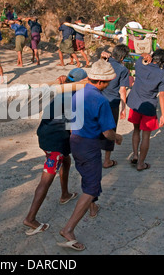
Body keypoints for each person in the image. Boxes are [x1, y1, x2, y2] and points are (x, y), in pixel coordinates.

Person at [58, 60, 123, 251]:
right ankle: (68, 229)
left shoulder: (78, 94)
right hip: (89, 145)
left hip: (75, 141)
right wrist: (117, 137)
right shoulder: (101, 101)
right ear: (103, 82)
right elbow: (107, 133)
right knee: (92, 187)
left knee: (89, 175)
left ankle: (92, 208)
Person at [23, 68, 88, 236]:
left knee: (66, 161)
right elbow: (74, 130)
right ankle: (30, 218)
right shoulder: (75, 100)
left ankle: (65, 194)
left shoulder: (59, 91)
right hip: (55, 143)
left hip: (45, 135)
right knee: (46, 180)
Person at [126, 49, 164, 171]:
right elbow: (162, 94)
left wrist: (144, 55)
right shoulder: (163, 75)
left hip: (135, 104)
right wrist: (162, 113)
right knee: (146, 136)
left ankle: (135, 155)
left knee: (135, 130)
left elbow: (140, 56)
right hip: (149, 107)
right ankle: (141, 164)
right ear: (163, 62)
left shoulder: (140, 65)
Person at [99, 44, 130, 169]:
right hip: (112, 103)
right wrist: (123, 107)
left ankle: (95, 156)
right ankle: (107, 160)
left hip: (99, 100)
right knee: (111, 130)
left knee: (97, 127)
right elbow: (122, 90)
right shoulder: (123, 70)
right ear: (122, 58)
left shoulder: (105, 63)